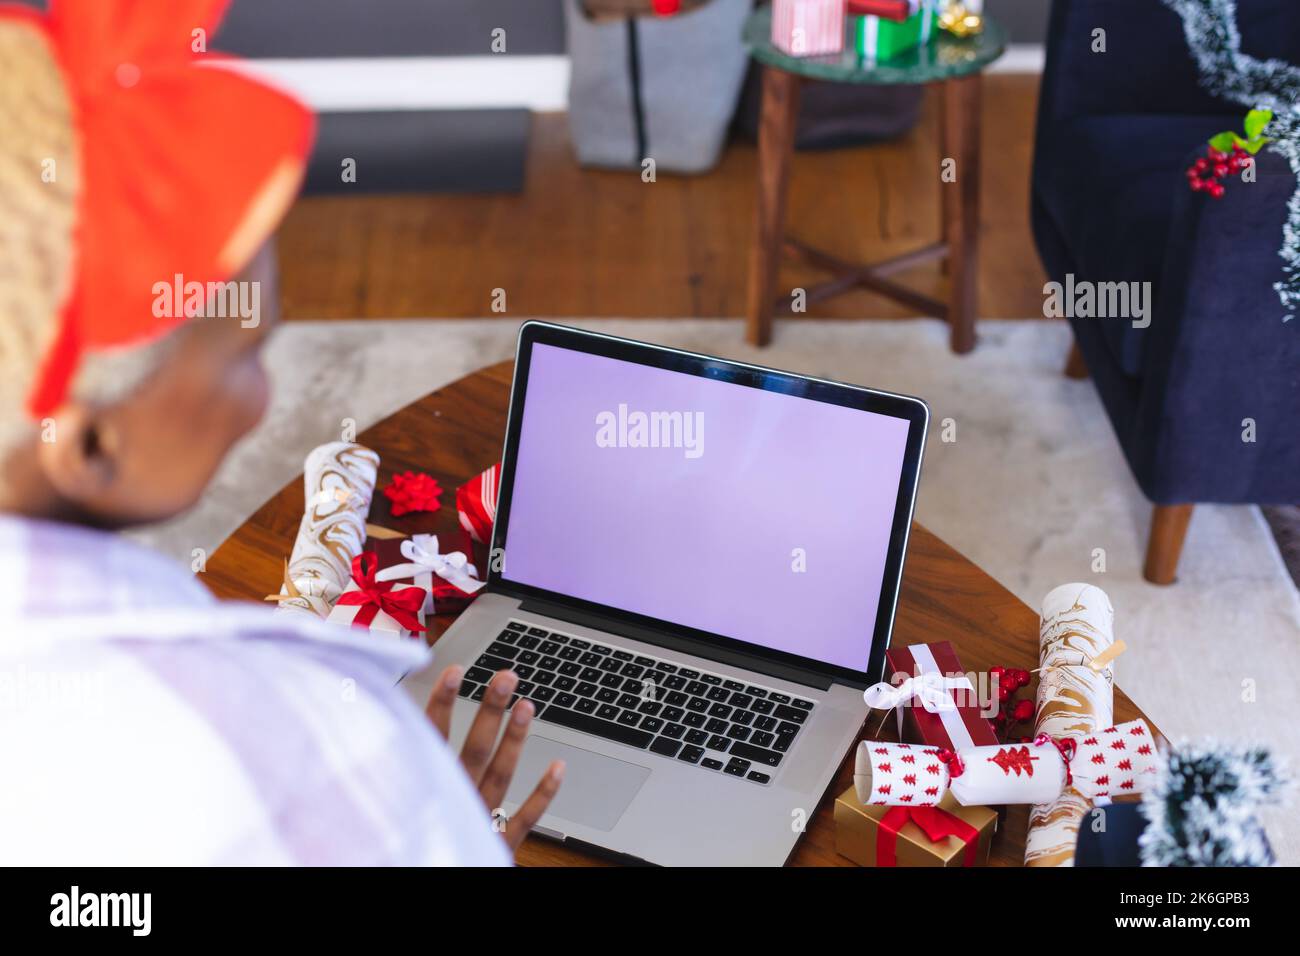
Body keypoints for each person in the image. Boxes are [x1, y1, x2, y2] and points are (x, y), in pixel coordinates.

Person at [0, 0, 560, 864]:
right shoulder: (310, 750)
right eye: (244, 356)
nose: (265, 401)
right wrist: (430, 829)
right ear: (87, 446)